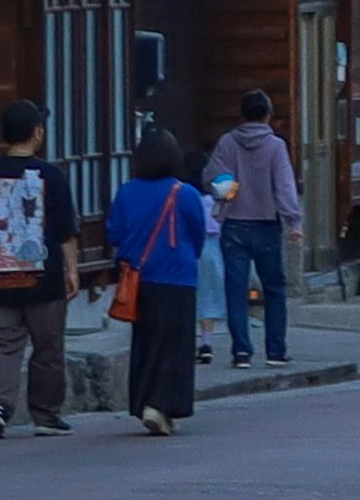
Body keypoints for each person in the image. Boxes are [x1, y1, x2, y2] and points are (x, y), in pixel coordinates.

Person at [0, 98, 77, 435]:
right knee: (48, 346)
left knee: (1, 343)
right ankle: (45, 414)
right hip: (45, 276)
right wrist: (72, 270)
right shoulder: (52, 175)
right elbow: (65, 230)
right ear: (37, 133)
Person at [102, 134, 215, 435]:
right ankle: (162, 404)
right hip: (177, 276)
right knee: (174, 345)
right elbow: (197, 233)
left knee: (146, 342)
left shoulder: (127, 192)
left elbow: (114, 233)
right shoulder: (185, 193)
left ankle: (145, 402)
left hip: (139, 277)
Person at [204, 90, 302, 369]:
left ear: (242, 115)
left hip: (234, 222)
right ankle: (276, 350)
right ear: (268, 115)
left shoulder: (227, 142)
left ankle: (242, 352)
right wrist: (293, 221)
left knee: (235, 289)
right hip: (267, 224)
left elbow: (210, 176)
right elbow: (284, 185)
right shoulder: (275, 146)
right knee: (274, 288)